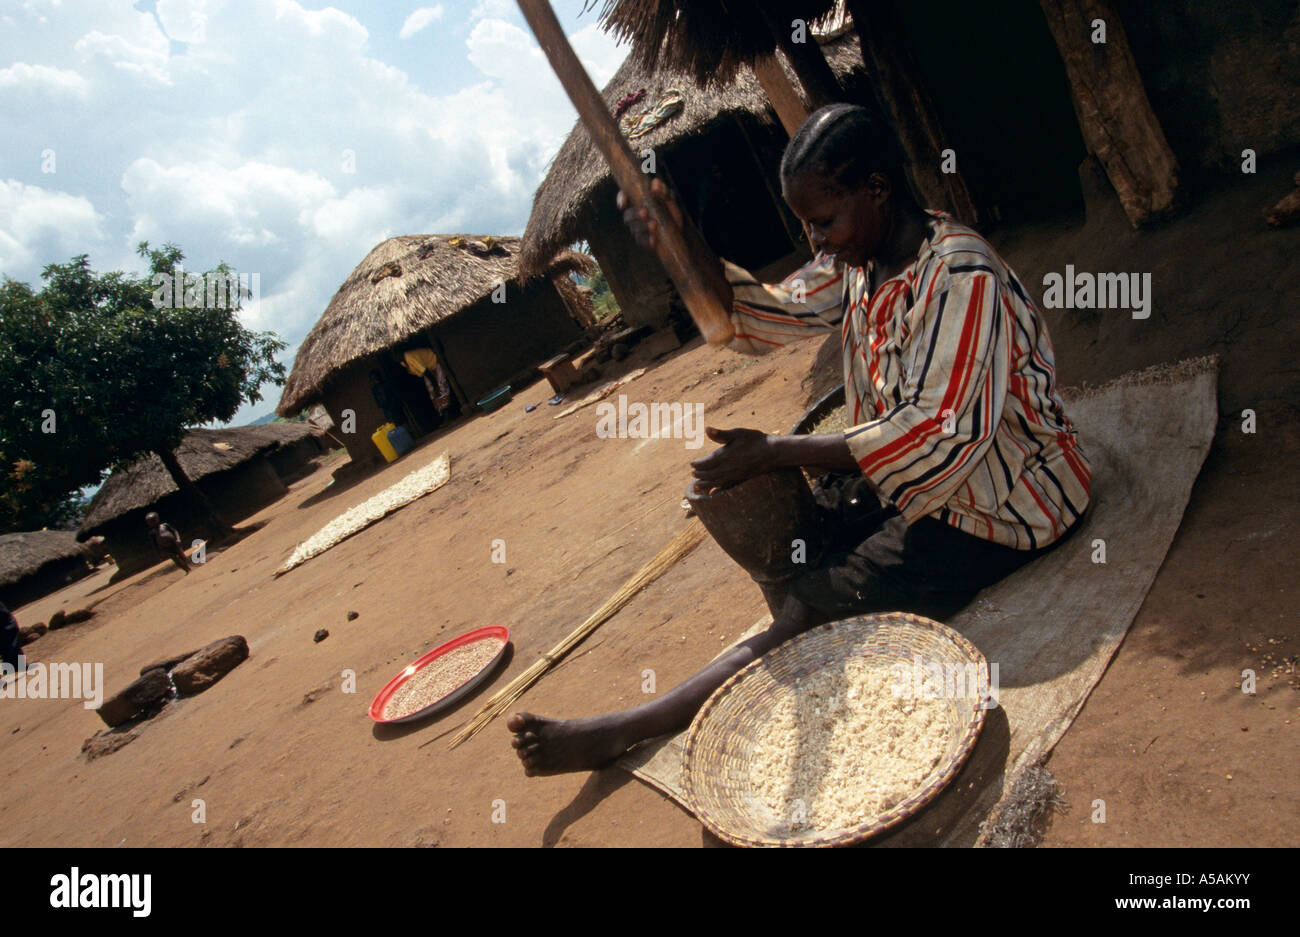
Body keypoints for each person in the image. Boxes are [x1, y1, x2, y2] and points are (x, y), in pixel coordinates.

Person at [509, 104, 1092, 776]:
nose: (816, 241)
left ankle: (627, 727)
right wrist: (680, 237)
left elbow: (935, 438)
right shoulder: (863, 264)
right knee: (818, 522)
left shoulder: (960, 277)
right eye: (807, 224)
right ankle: (802, 599)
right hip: (931, 480)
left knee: (818, 596)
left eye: (823, 221)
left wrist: (779, 450)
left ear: (875, 190)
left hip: (1010, 500)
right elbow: (764, 313)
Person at [399, 346, 454, 417]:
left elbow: (426, 371)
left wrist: (435, 386)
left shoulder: (409, 357)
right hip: (428, 370)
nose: (395, 357)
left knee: (441, 387)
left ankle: (448, 412)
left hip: (434, 363)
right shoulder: (402, 362)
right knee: (432, 392)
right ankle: (442, 413)